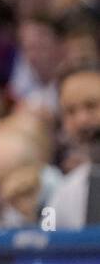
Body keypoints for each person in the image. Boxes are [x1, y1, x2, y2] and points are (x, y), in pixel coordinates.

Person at [46, 61, 100, 228]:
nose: (82, 120)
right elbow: (47, 233)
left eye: (92, 106)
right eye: (70, 111)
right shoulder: (65, 191)